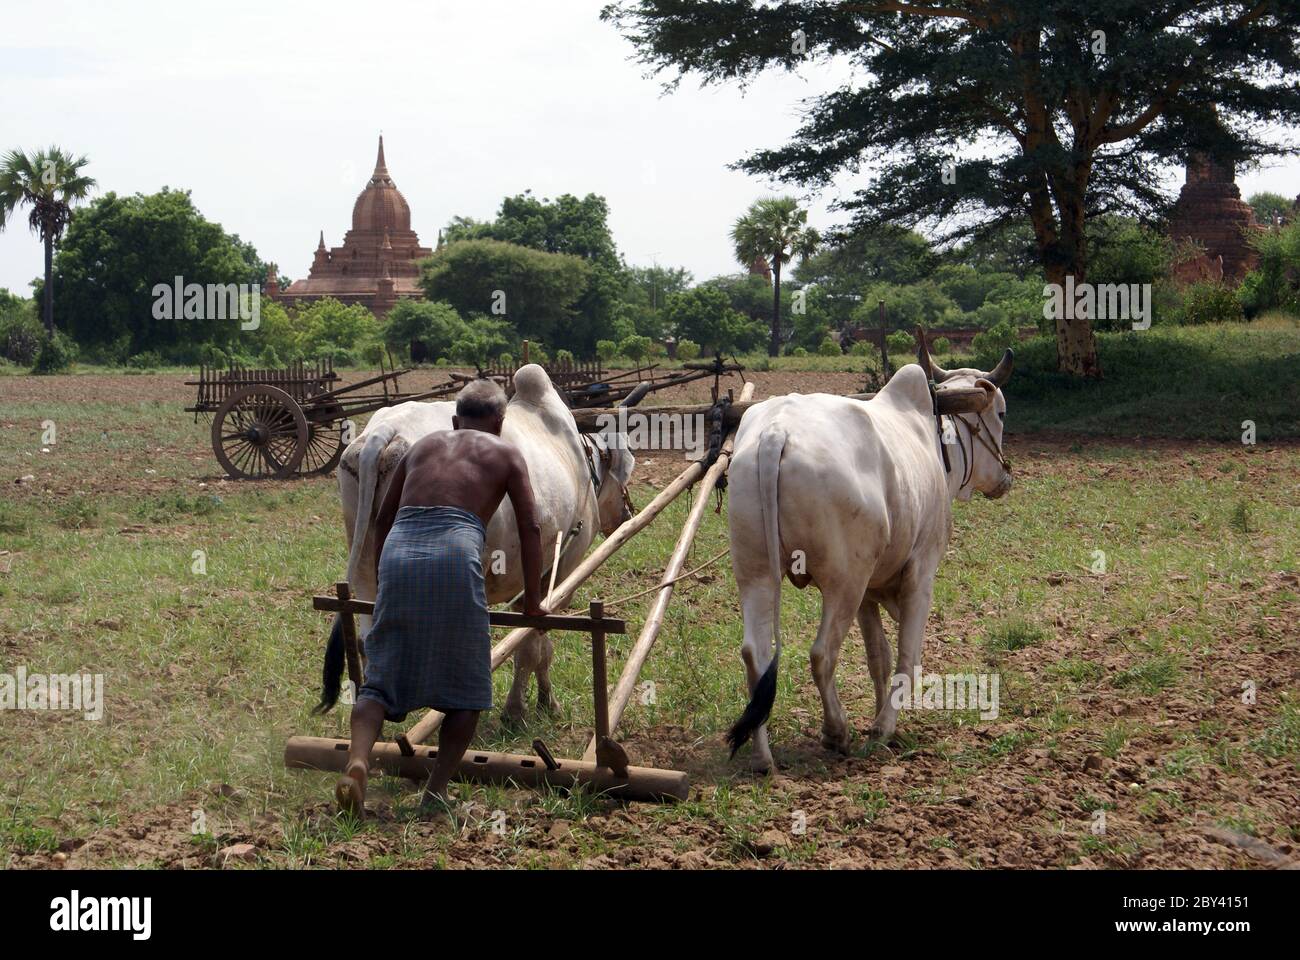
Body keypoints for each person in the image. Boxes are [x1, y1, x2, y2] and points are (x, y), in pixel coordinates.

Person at [335, 379, 544, 816]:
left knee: (379, 682)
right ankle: (435, 793)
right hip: (455, 551)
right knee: (468, 692)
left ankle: (357, 761)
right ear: (500, 423)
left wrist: (384, 580)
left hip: (398, 551)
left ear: (454, 419)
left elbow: (385, 517)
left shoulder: (423, 446)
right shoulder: (506, 453)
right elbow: (531, 527)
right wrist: (532, 603)